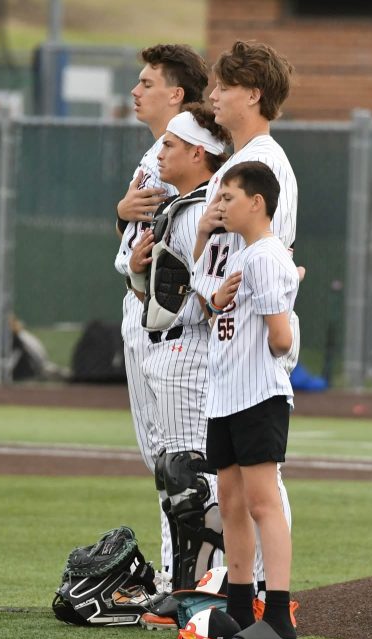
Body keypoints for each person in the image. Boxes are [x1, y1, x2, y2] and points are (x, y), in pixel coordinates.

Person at [191, 39, 299, 605]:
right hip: (227, 351)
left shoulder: (266, 163)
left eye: (225, 86)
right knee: (232, 493)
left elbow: (271, 257)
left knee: (262, 492)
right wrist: (209, 289)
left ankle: (268, 599)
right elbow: (212, 266)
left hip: (255, 353)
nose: (214, 95)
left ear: (253, 94)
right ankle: (240, 598)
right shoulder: (235, 164)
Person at [113, 44, 209, 591]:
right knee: (163, 459)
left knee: (177, 461)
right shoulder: (157, 153)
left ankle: (187, 580)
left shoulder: (172, 156)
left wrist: (127, 235)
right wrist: (119, 215)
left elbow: (147, 249)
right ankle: (180, 576)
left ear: (176, 94)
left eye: (147, 82)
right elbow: (132, 241)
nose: (135, 90)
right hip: (145, 306)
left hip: (169, 318)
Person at [126, 105, 231, 599]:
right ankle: (185, 587)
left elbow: (210, 295)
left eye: (171, 145)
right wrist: (137, 272)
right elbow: (155, 298)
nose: (160, 153)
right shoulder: (181, 207)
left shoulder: (207, 210)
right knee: (174, 476)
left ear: (198, 153)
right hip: (165, 347)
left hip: (191, 351)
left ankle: (214, 587)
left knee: (193, 477)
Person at [202, 161, 302, 639]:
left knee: (262, 502)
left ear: (257, 203)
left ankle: (278, 617)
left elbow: (281, 338)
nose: (221, 206)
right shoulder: (243, 254)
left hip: (257, 394)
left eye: (229, 197)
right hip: (226, 394)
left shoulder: (263, 256)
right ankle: (240, 608)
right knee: (231, 501)